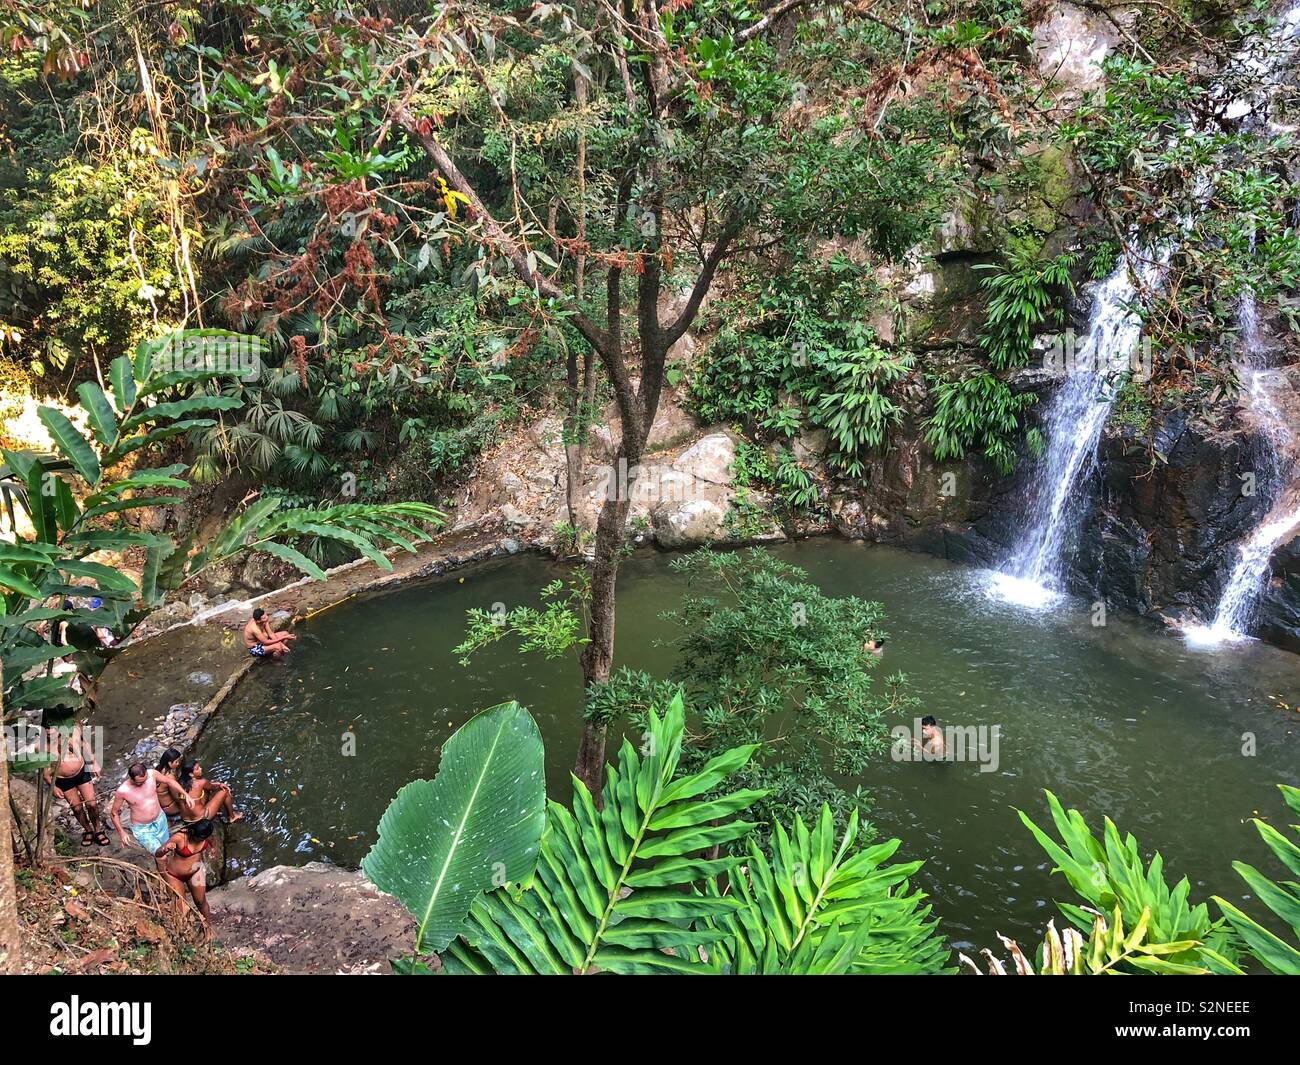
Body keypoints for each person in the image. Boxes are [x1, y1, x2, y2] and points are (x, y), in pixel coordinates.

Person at [42, 718, 108, 847]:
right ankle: (87, 830)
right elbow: (45, 771)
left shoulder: (70, 737)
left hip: (81, 772)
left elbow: (85, 745)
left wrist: (94, 763)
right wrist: (53, 786)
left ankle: (98, 830)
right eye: (47, 728)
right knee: (77, 808)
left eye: (52, 727)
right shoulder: (44, 747)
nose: (49, 731)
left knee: (92, 804)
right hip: (63, 780)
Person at [109, 763, 188, 863]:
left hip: (160, 819)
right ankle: (164, 874)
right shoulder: (123, 791)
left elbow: (169, 781)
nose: (142, 784)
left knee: (167, 846)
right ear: (132, 778)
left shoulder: (152, 774)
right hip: (143, 829)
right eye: (139, 783)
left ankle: (170, 866)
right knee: (161, 856)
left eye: (144, 780)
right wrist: (121, 832)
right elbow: (114, 813)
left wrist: (186, 794)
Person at [155, 819, 216, 940]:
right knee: (180, 907)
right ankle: (183, 934)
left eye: (201, 839)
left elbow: (213, 841)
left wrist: (213, 849)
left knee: (201, 901)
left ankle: (208, 927)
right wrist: (165, 848)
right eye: (197, 838)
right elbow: (158, 854)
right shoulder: (179, 837)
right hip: (174, 875)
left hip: (195, 871)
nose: (199, 841)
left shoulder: (205, 836)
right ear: (193, 832)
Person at [177, 757, 243, 824]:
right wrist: (220, 784)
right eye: (197, 769)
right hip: (200, 819)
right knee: (224, 791)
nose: (201, 769)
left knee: (204, 791)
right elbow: (212, 787)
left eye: (199, 767)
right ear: (191, 774)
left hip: (185, 819)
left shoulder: (180, 783)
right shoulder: (201, 782)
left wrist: (217, 784)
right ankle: (232, 817)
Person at [155, 748, 185, 819]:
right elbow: (176, 797)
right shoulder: (169, 777)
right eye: (176, 762)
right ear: (169, 763)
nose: (178, 764)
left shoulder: (157, 770)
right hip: (171, 809)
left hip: (162, 806)